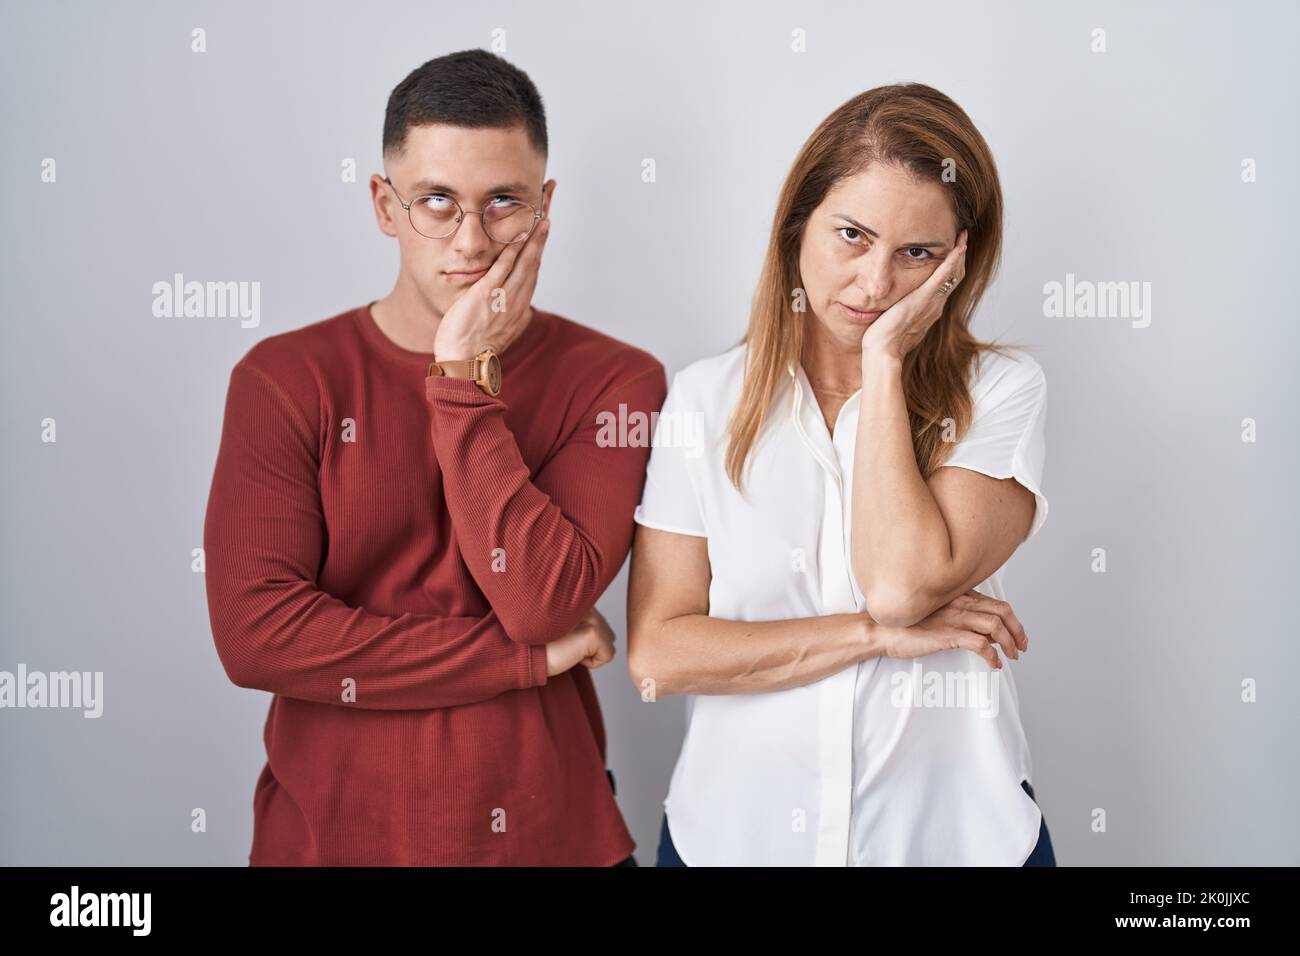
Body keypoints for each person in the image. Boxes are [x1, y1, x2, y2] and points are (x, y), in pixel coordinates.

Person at [203, 49, 665, 866]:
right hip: (331, 840)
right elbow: (258, 637)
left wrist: (459, 379)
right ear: (386, 205)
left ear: (545, 207)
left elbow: (542, 605)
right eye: (437, 202)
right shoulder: (283, 380)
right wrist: (516, 662)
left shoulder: (617, 381)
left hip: (549, 841)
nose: (473, 240)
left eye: (503, 203)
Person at [628, 82, 1057, 866]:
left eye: (917, 254)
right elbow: (660, 654)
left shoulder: (1001, 392)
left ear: (959, 260)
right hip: (734, 841)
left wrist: (885, 361)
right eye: (851, 236)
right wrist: (871, 637)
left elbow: (899, 582)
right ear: (798, 227)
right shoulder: (704, 397)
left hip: (952, 840)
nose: (874, 285)